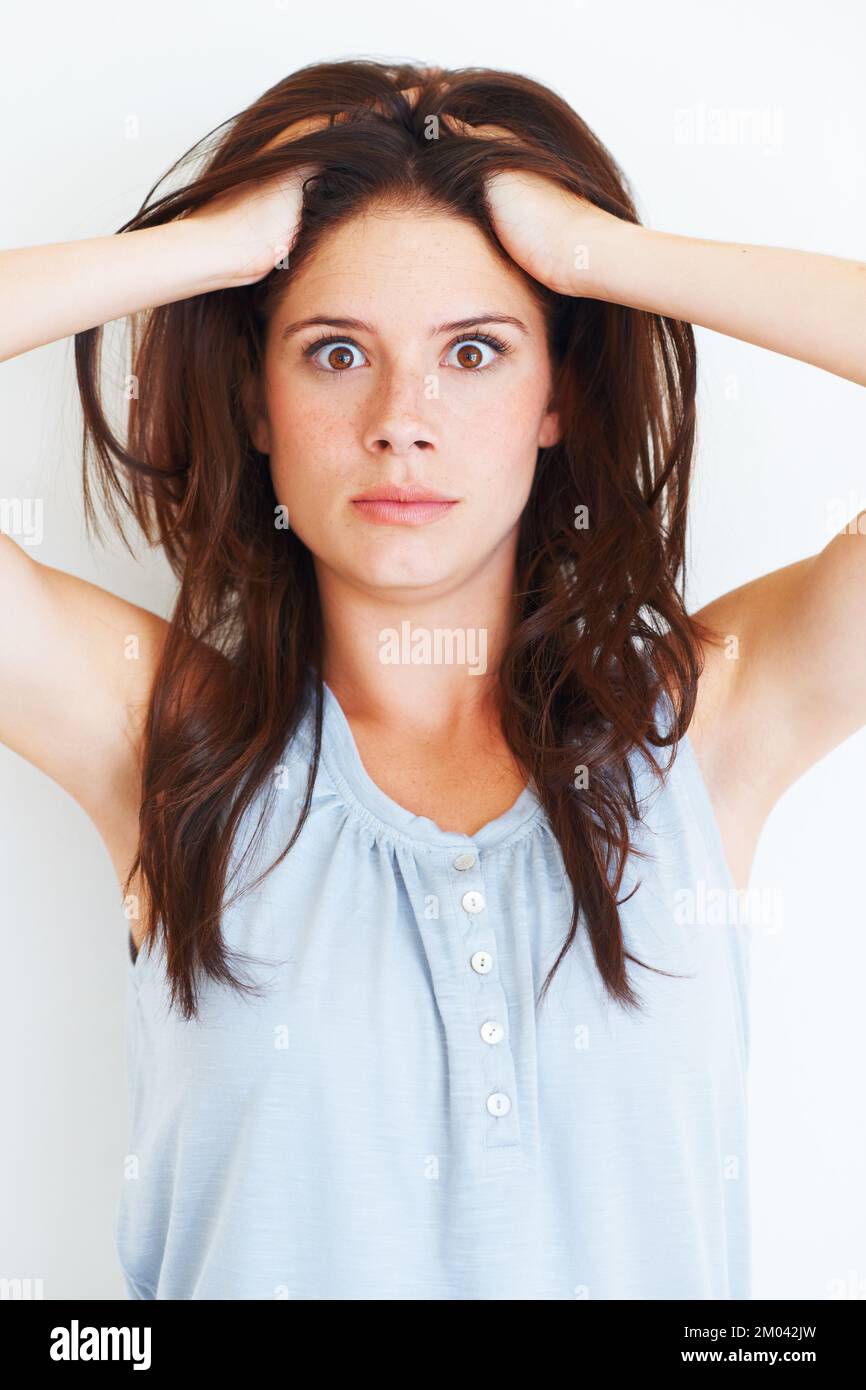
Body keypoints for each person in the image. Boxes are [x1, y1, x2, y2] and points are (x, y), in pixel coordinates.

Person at [2, 59, 864, 1300]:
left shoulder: (703, 729)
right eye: (335, 351)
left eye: (473, 350)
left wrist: (597, 257)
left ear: (555, 393)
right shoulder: (158, 739)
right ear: (257, 399)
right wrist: (214, 243)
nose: (403, 418)